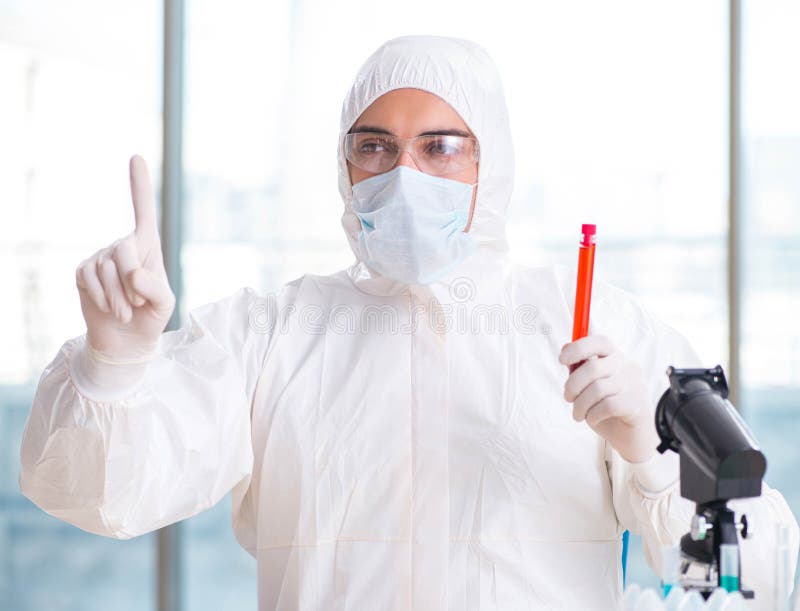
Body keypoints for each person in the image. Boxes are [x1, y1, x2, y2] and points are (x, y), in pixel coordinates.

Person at [19, 35, 798, 610]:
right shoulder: (272, 333)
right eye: (376, 148)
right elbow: (99, 494)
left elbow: (763, 570)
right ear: (346, 167)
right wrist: (112, 362)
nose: (405, 174)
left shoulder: (594, 324)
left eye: (441, 147)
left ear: (490, 165)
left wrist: (650, 452)